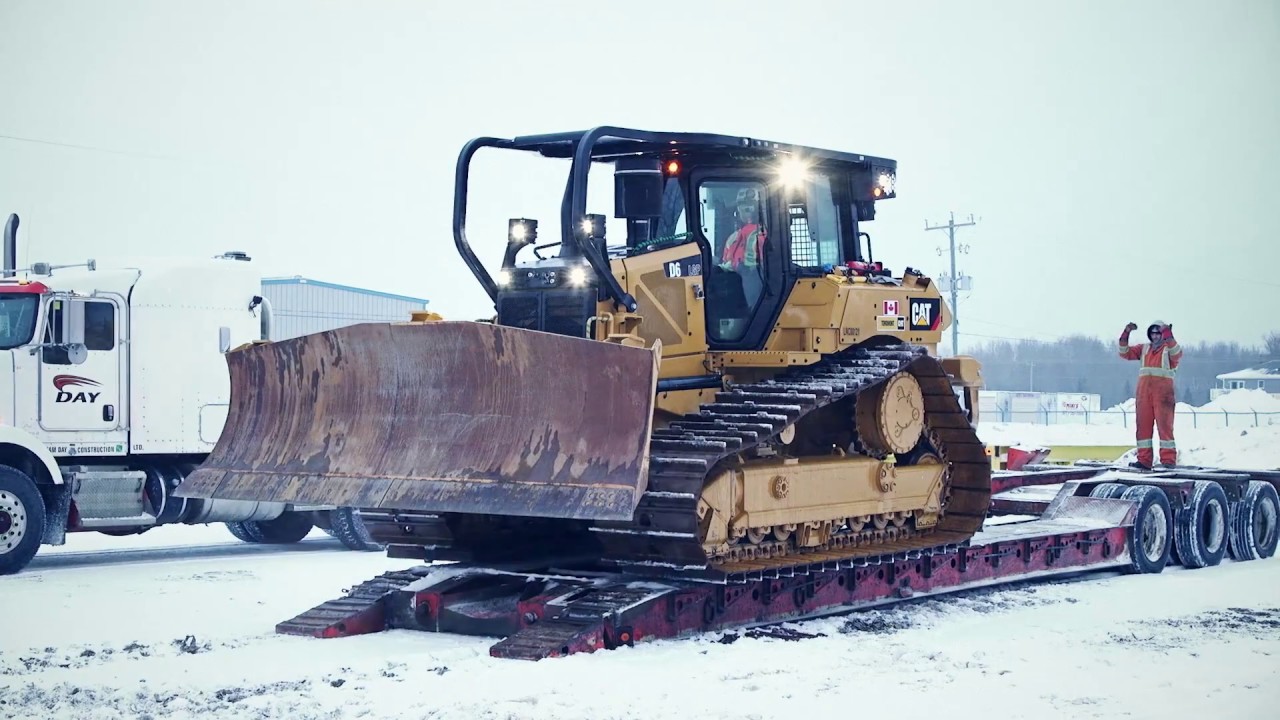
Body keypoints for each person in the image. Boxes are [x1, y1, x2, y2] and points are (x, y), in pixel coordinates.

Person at [1118, 320, 1183, 469]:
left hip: (1163, 395)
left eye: (1158, 333)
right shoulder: (1144, 349)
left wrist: (1168, 334)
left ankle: (1168, 461)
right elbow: (1124, 353)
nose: (1155, 336)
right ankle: (1144, 460)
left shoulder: (1169, 350)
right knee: (1143, 428)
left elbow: (1177, 354)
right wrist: (1126, 332)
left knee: (1165, 428)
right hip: (1144, 395)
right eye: (1153, 333)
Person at [719, 187, 766, 271]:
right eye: (741, 204)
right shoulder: (733, 238)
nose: (744, 208)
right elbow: (727, 263)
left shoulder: (765, 234)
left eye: (749, 204)